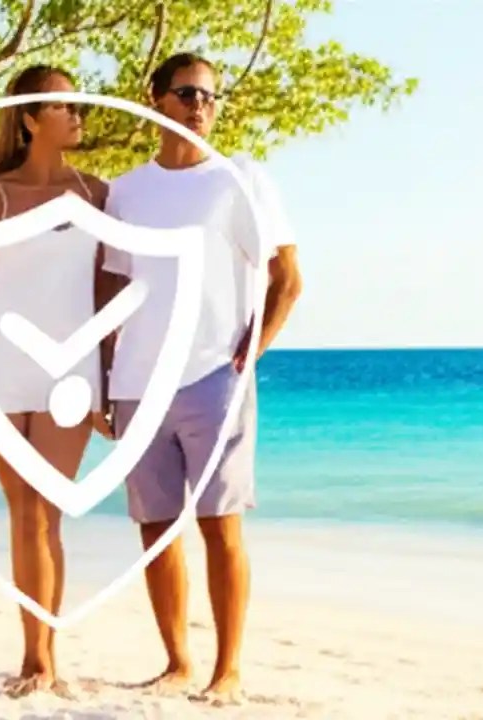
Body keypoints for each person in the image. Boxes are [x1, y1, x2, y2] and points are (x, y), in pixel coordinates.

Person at [99, 52, 304, 704]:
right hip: (137, 382)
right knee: (155, 528)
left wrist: (254, 350)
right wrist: (103, 374)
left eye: (211, 97)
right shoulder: (126, 190)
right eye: (187, 93)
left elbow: (288, 278)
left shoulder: (239, 178)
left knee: (221, 526)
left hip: (215, 376)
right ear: (155, 98)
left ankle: (228, 672)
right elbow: (111, 283)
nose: (200, 106)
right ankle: (177, 663)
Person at [0, 64, 113, 699]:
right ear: (28, 117)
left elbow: (109, 292)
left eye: (80, 108)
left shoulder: (97, 195)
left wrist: (109, 380)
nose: (79, 117)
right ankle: (32, 657)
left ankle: (48, 655)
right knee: (23, 514)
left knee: (49, 512)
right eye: (65, 107)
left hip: (70, 374)